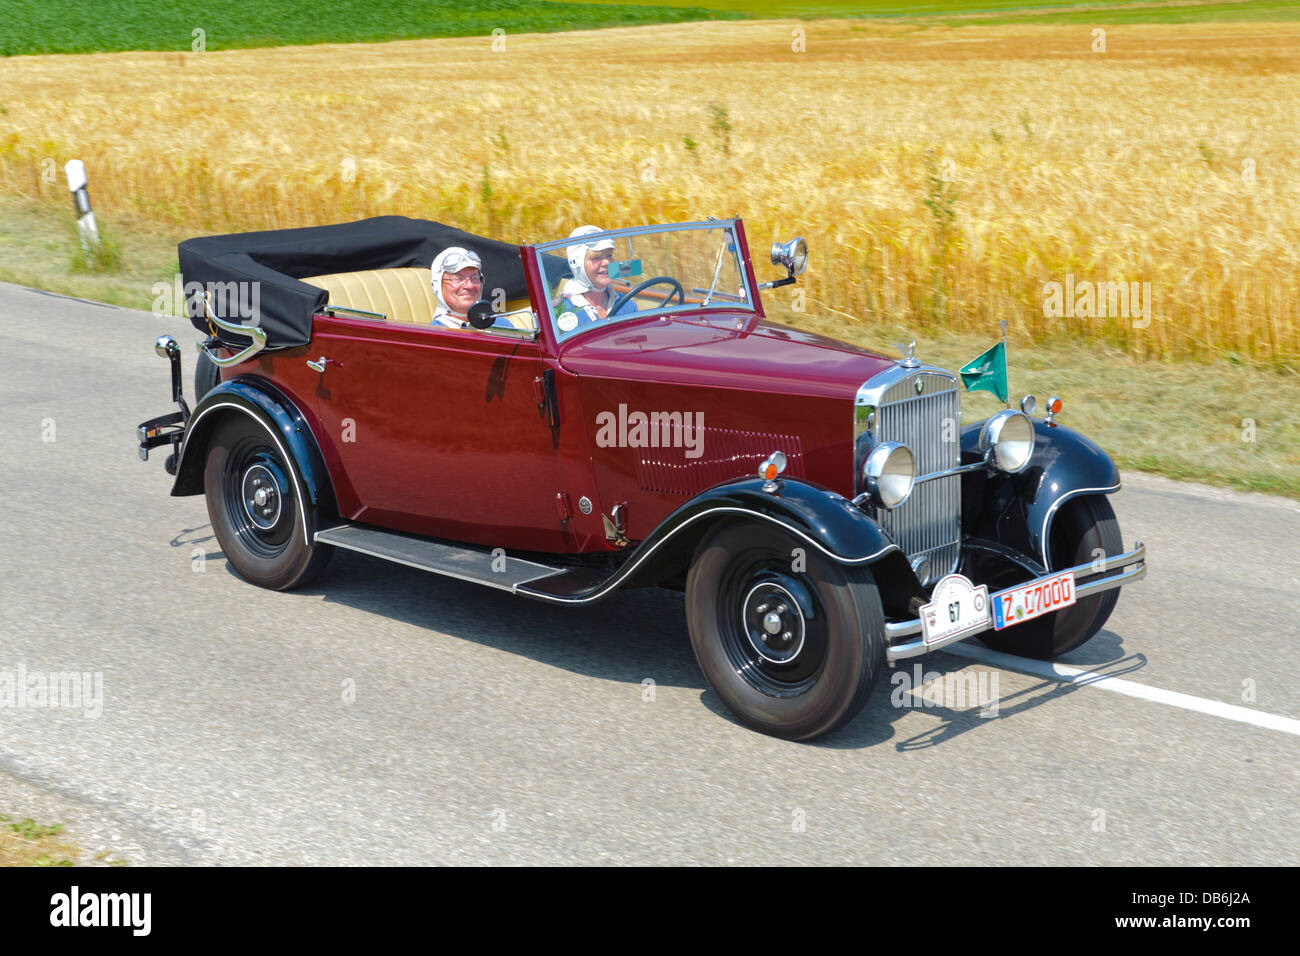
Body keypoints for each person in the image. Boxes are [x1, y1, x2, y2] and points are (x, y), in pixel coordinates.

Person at [554, 225, 637, 332]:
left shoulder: (627, 305)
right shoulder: (564, 313)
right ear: (578, 264)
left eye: (609, 256)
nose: (607, 262)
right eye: (596, 257)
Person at [430, 246, 484, 328]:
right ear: (437, 286)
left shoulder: (503, 325)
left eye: (475, 278)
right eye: (458, 278)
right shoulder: (433, 335)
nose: (469, 286)